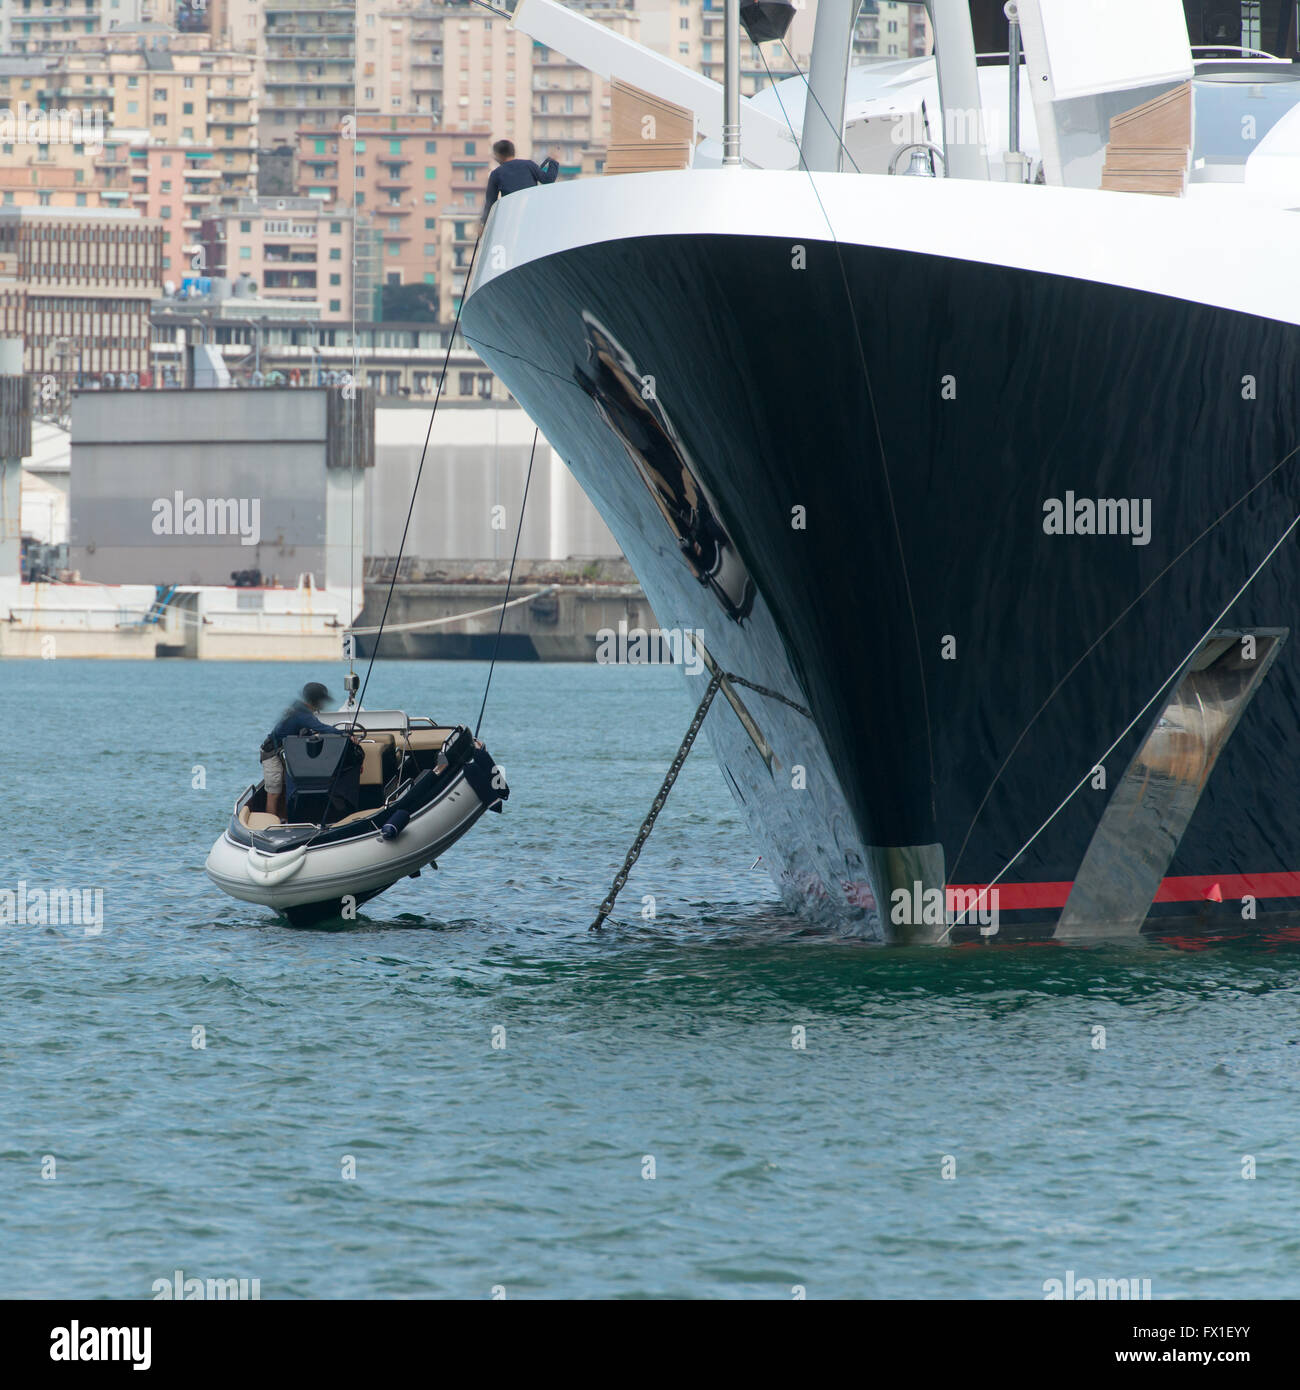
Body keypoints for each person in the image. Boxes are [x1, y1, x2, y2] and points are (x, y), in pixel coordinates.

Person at [260, 682, 342, 821]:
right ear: (316, 700)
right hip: (272, 753)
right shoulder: (302, 714)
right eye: (322, 700)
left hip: (286, 752)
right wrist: (346, 734)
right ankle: (270, 823)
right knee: (274, 790)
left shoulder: (301, 709)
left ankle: (283, 817)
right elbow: (322, 728)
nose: (323, 704)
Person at [481, 139, 558, 222]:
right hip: (532, 214)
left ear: (498, 155)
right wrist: (553, 161)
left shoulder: (496, 174)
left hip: (511, 218)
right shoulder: (529, 164)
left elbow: (490, 203)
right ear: (513, 152)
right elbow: (548, 179)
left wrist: (482, 224)